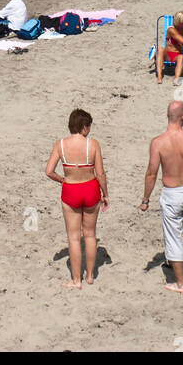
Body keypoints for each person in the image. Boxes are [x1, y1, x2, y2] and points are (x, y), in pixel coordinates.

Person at [140, 101, 183, 293]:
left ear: (167, 116)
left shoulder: (158, 142)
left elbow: (152, 173)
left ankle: (180, 283)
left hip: (172, 193)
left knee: (173, 237)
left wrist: (146, 199)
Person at [45, 108, 108, 288]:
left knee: (73, 238)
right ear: (83, 127)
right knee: (90, 235)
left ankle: (76, 280)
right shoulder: (93, 144)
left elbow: (49, 171)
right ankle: (90, 276)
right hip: (90, 189)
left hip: (71, 189)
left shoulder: (61, 145)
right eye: (88, 126)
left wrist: (62, 180)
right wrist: (106, 194)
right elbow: (101, 173)